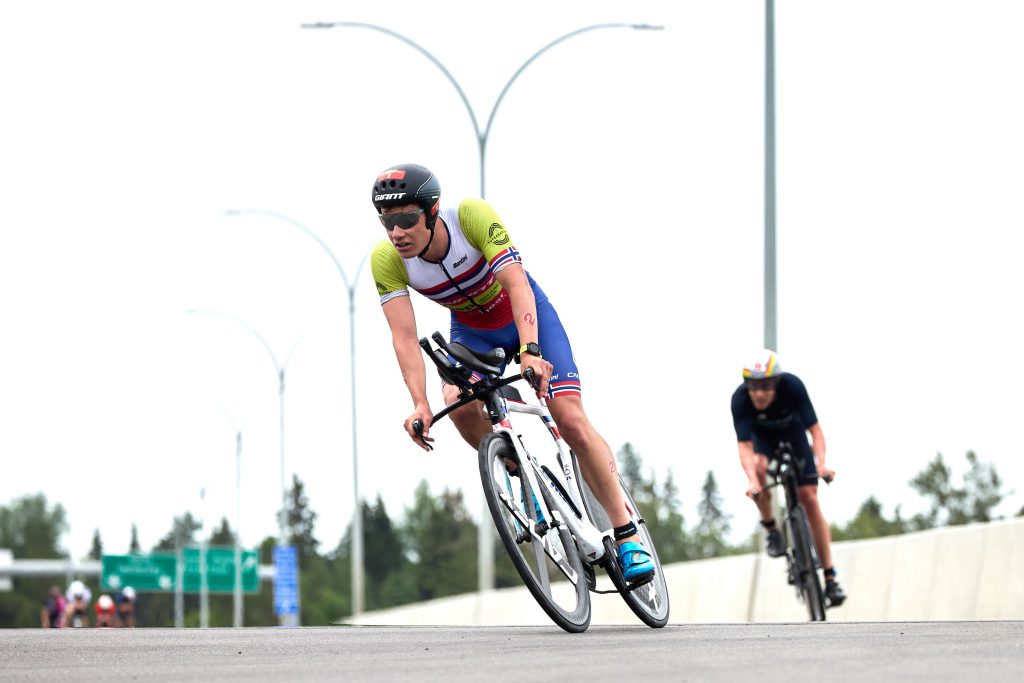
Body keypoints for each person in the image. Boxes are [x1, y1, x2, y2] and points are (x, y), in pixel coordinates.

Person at [369, 163, 654, 582]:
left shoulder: (471, 218)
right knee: (458, 403)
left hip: (524, 317)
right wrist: (419, 402)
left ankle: (626, 534)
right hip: (471, 331)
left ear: (432, 212)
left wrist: (530, 350)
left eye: (406, 219)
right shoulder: (386, 260)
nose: (396, 233)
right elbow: (404, 337)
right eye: (387, 222)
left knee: (570, 419)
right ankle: (520, 473)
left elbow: (517, 284)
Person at [730, 348, 847, 607]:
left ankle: (829, 577)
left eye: (766, 385)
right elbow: (745, 447)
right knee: (759, 470)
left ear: (777, 382)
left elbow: (815, 431)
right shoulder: (739, 399)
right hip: (764, 444)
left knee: (810, 500)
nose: (759, 393)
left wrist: (822, 465)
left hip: (795, 438)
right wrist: (752, 481)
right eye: (753, 386)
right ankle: (771, 527)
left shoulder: (793, 386)